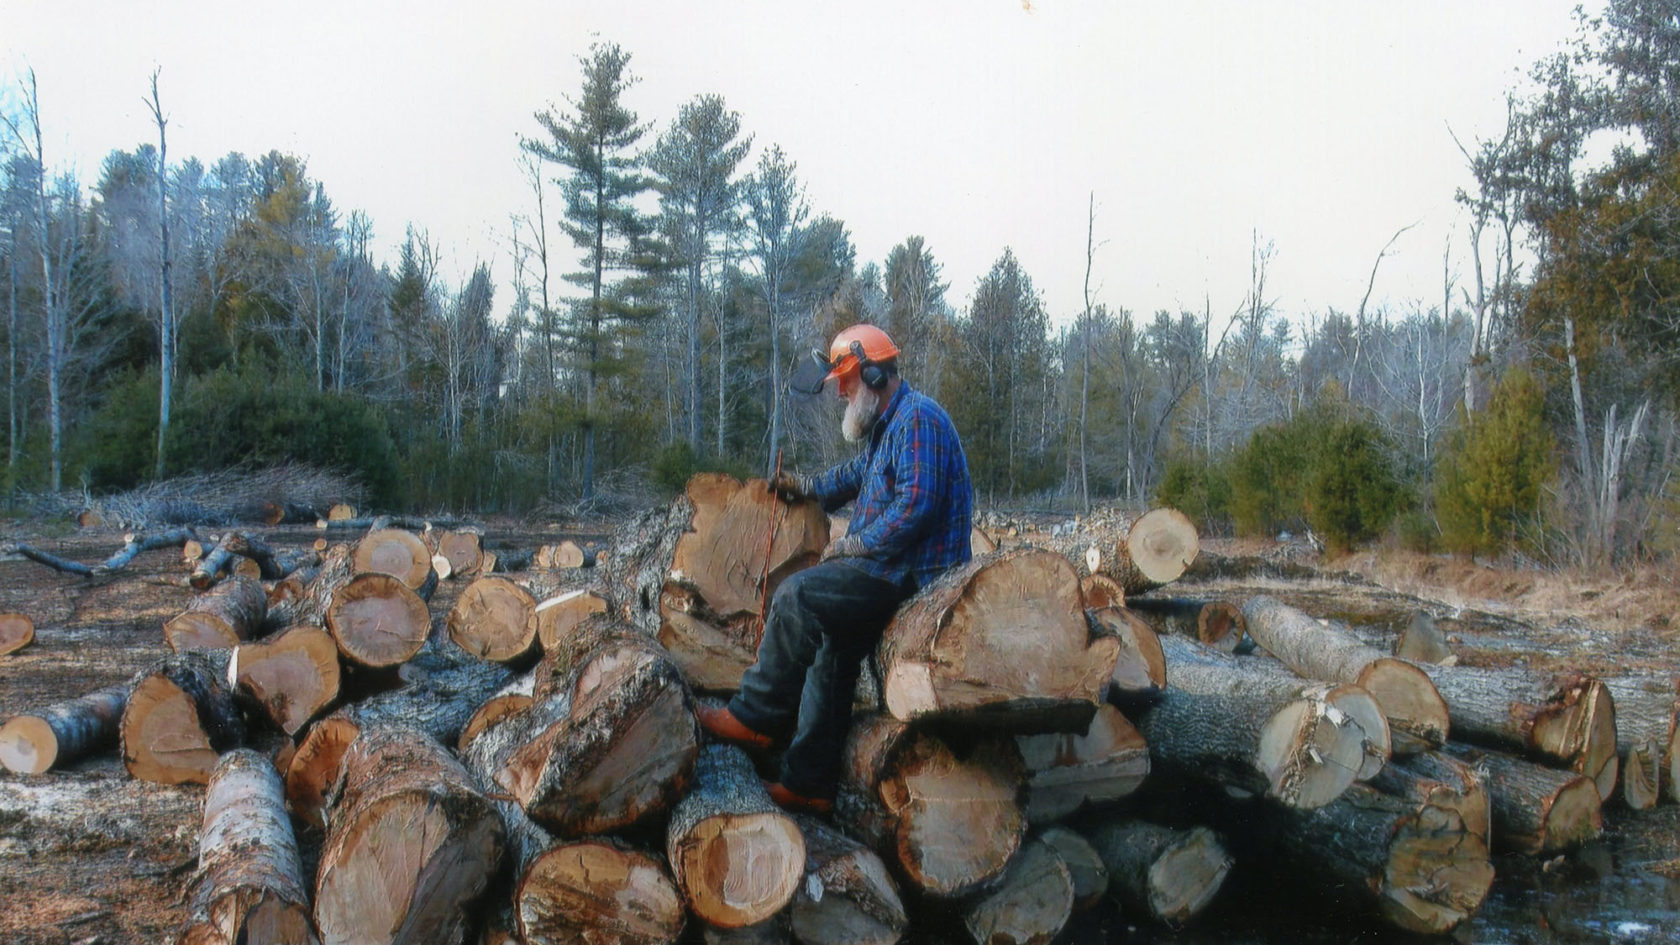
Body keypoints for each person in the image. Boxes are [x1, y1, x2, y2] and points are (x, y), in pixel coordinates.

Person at [695, 323, 974, 814]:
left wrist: (856, 544)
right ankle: (810, 782)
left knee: (799, 596)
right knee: (832, 645)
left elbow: (918, 504)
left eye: (846, 381)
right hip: (889, 570)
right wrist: (807, 487)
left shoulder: (918, 419)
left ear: (872, 373)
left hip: (911, 578)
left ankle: (755, 716)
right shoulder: (889, 428)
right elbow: (854, 477)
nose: (841, 391)